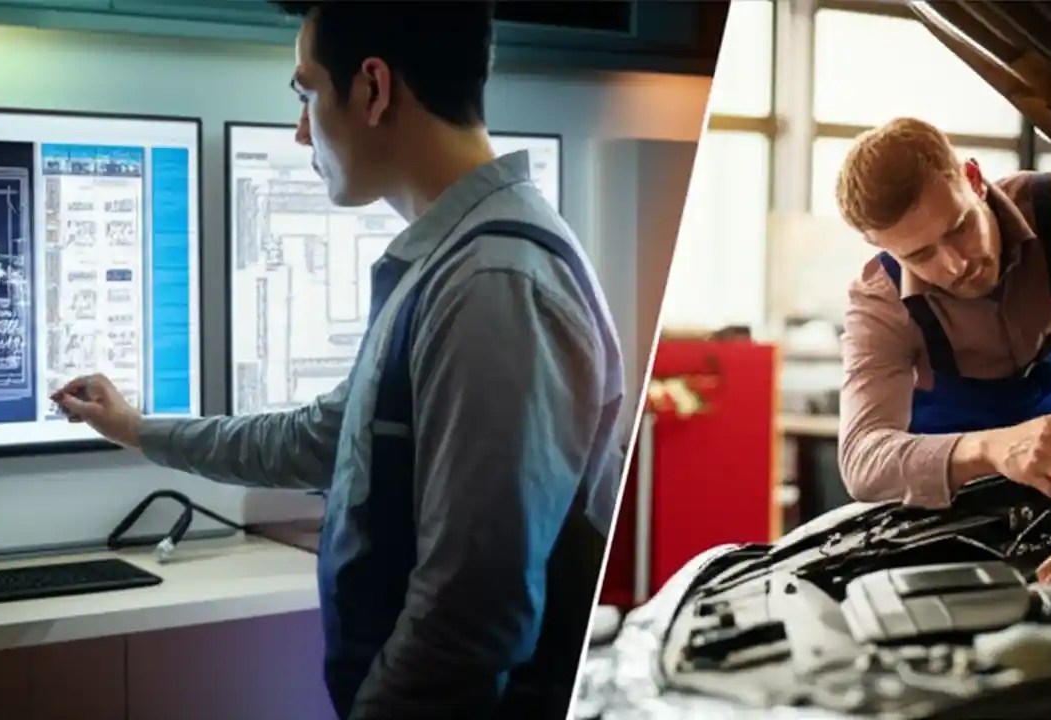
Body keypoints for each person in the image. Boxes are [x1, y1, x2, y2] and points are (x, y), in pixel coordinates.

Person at [51, 2, 626, 718]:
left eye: (305, 94)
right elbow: (321, 439)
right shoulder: (451, 264)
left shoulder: (491, 285)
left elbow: (471, 616)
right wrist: (138, 428)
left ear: (373, 89)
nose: (299, 130)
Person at [834, 117, 1051, 587]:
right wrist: (992, 447)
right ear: (878, 244)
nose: (956, 264)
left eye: (960, 227)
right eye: (920, 256)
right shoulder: (879, 300)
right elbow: (863, 459)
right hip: (954, 518)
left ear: (973, 179)